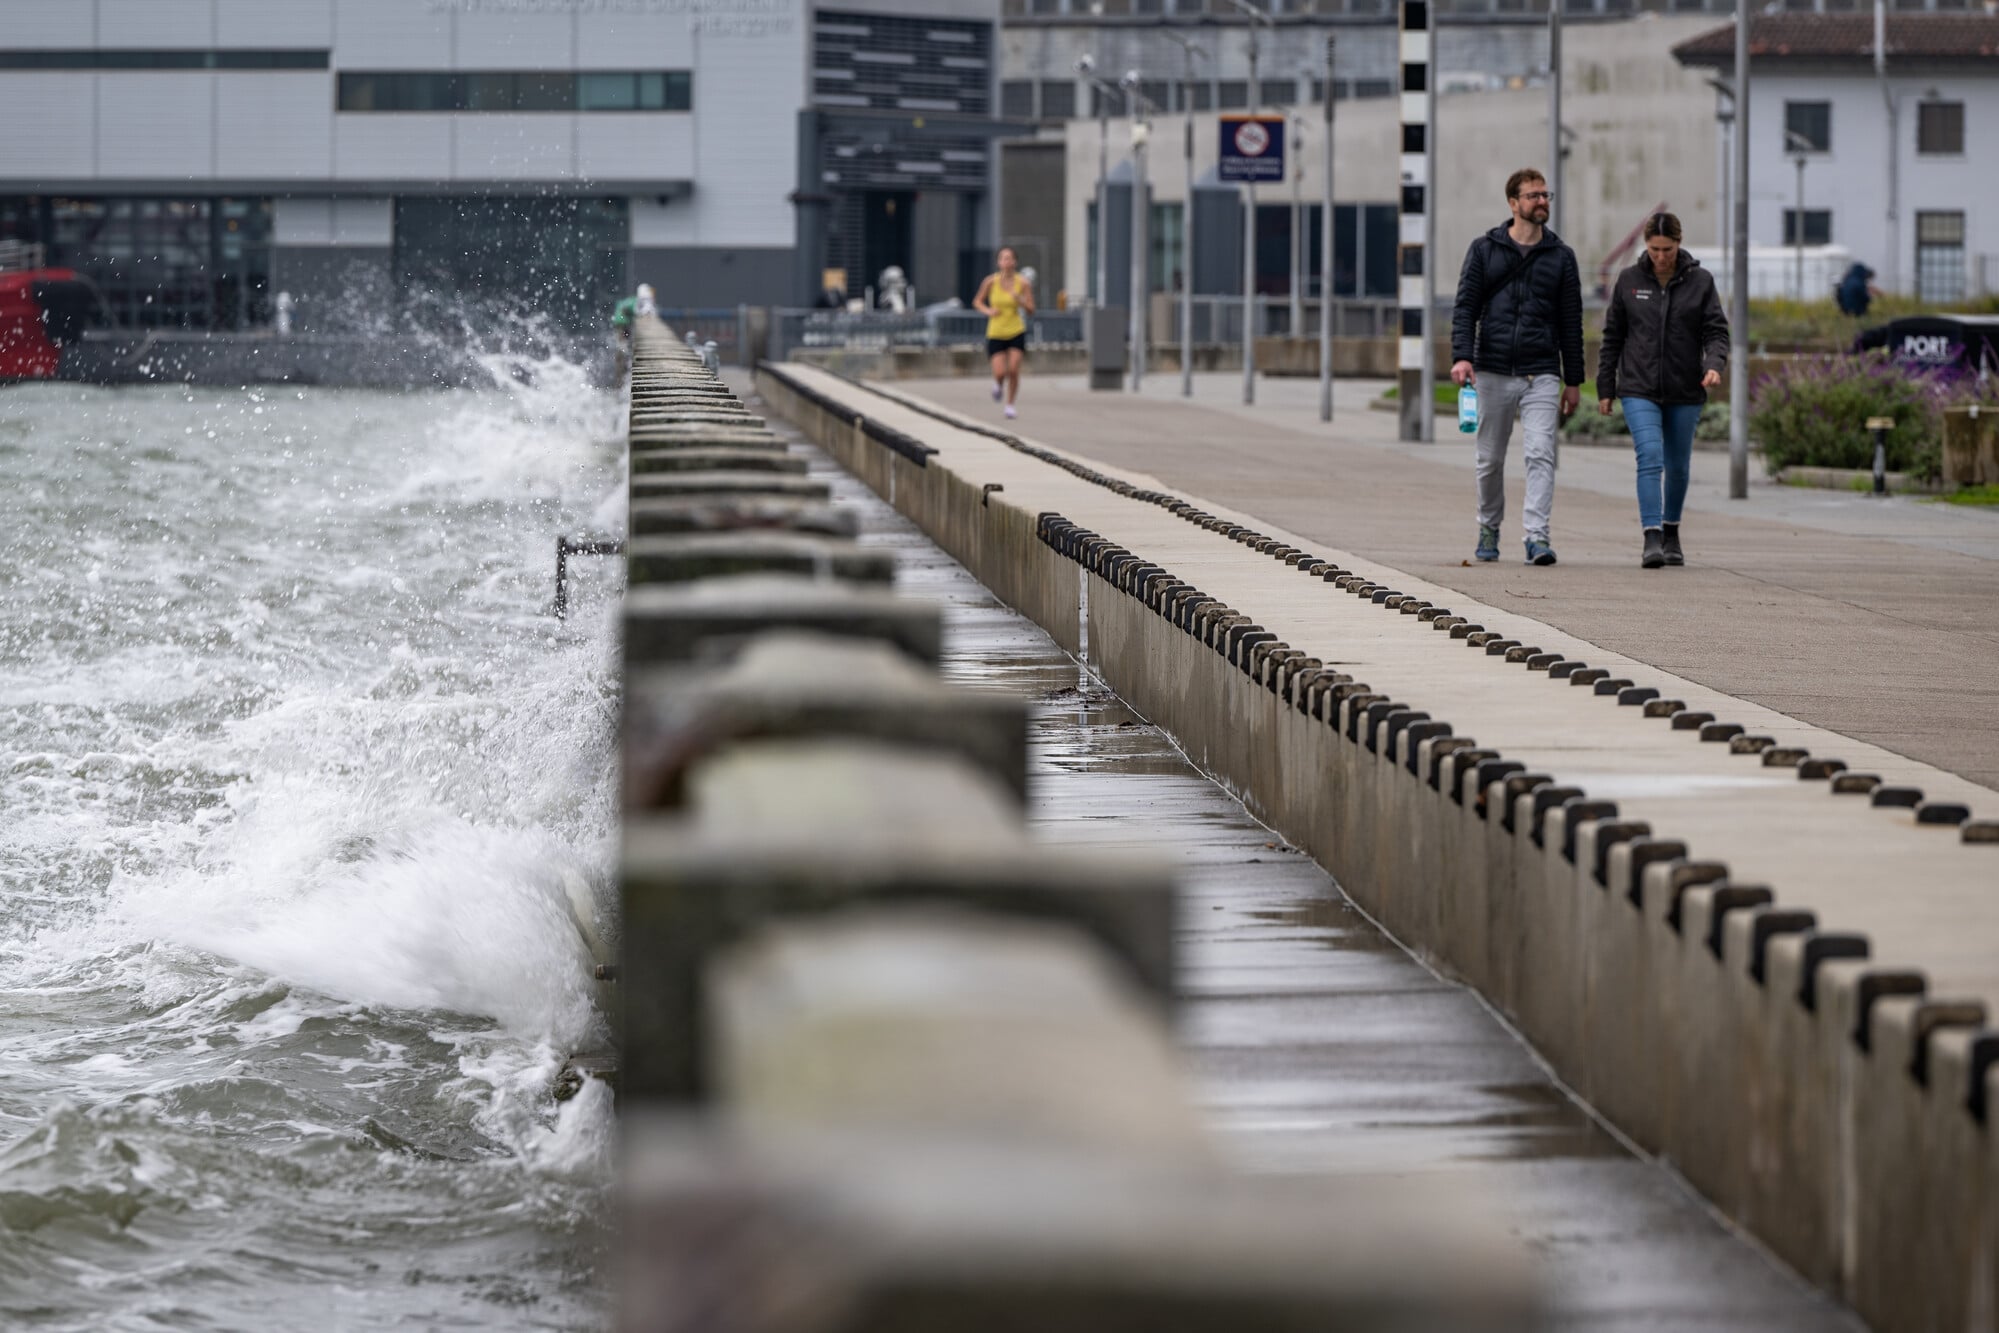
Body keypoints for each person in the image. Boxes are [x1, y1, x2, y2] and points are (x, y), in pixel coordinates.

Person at [1450, 168, 1586, 567]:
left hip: (1540, 371)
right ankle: (1489, 525)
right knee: (1489, 459)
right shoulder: (1484, 250)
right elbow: (1465, 308)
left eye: (1546, 195)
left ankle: (1536, 535)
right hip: (1491, 369)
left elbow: (1571, 322)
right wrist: (1463, 356)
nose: (1542, 202)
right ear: (1513, 203)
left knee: (1541, 452)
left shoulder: (1561, 257)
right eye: (1533, 196)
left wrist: (1573, 380)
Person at [1596, 212, 1729, 569]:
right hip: (1638, 387)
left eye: (1667, 249)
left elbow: (1716, 332)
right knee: (1650, 456)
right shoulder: (1629, 281)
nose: (1660, 256)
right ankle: (1651, 536)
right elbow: (1612, 338)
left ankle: (1672, 532)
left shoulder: (1701, 282)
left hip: (1685, 388)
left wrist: (1714, 365)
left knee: (1679, 466)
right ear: (1646, 246)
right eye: (1654, 249)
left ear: (1679, 244)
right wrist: (1606, 387)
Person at [974, 246, 1034, 420]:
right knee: (1000, 372)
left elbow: (1031, 309)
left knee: (1014, 370)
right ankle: (998, 385)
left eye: (1009, 258)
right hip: (996, 332)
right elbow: (977, 301)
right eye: (1003, 258)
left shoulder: (1022, 283)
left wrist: (1020, 300)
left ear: (1015, 262)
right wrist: (988, 311)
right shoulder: (990, 282)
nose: (1006, 262)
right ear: (998, 262)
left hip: (1016, 330)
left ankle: (1010, 405)